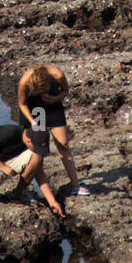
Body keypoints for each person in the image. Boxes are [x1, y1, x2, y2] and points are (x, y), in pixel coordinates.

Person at [17, 64, 89, 195]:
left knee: (63, 144)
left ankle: (76, 186)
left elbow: (65, 91)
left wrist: (53, 98)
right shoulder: (25, 80)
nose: (41, 93)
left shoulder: (57, 75)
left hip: (53, 106)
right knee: (37, 151)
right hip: (33, 109)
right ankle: (30, 189)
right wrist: (33, 122)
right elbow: (22, 104)